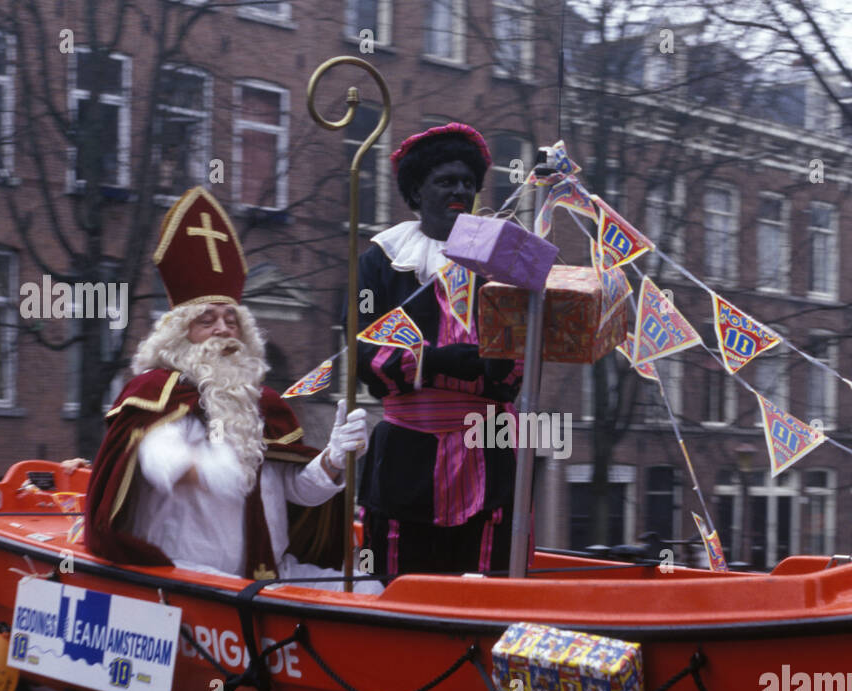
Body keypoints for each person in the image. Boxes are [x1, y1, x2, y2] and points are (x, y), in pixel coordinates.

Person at [85, 186, 377, 593]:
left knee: (367, 589)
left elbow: (295, 491)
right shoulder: (158, 392)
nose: (223, 328)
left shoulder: (262, 404)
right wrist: (219, 467)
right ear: (178, 336)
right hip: (189, 582)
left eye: (231, 319)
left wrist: (333, 459)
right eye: (207, 320)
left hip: (269, 577)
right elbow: (158, 458)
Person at [354, 123, 523, 577]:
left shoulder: (500, 261)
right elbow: (368, 360)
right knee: (400, 578)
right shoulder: (381, 261)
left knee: (486, 582)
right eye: (446, 181)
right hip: (408, 454)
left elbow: (514, 373)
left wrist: (499, 362)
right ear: (417, 190)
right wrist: (442, 361)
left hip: (488, 449)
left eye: (468, 182)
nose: (460, 190)